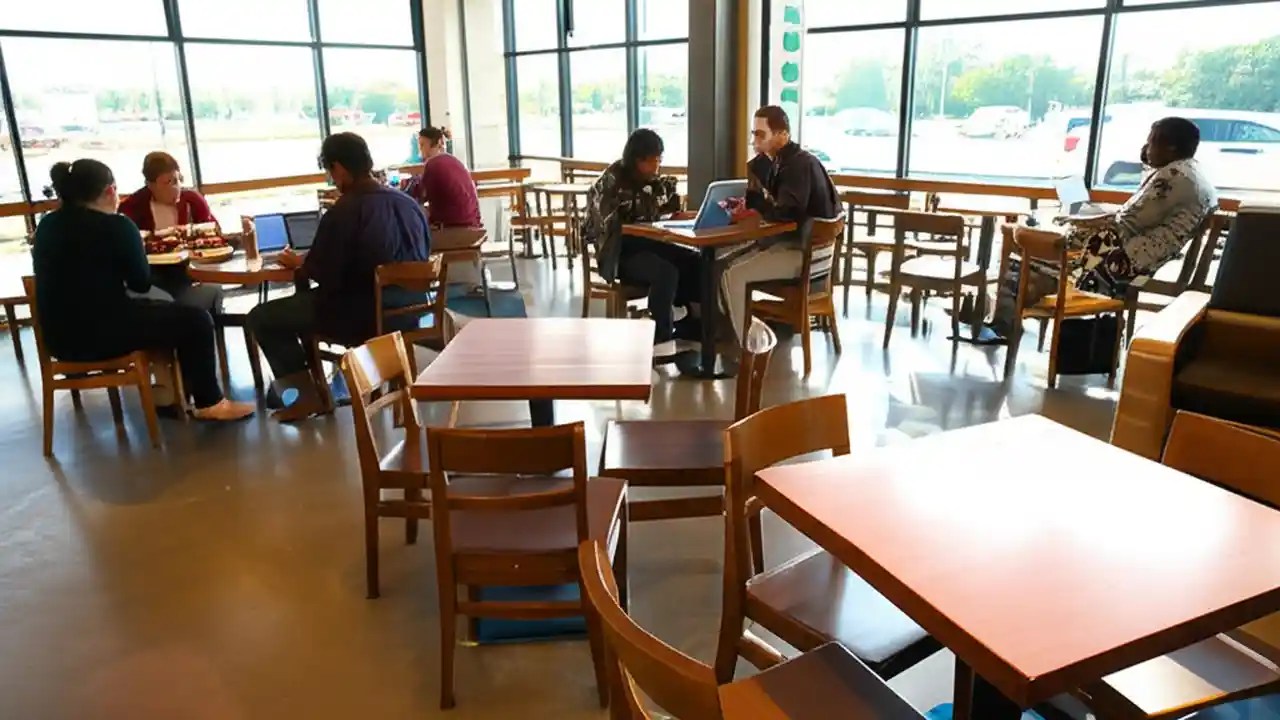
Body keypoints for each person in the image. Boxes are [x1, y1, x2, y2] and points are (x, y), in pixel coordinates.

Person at [32, 159, 253, 421]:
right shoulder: (117, 225)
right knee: (196, 320)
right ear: (111, 190)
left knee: (163, 312)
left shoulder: (47, 226)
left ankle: (168, 394)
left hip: (59, 339)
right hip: (106, 334)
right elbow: (140, 282)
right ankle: (209, 402)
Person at [246, 132, 431, 422]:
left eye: (330, 171)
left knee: (263, 317)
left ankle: (306, 397)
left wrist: (302, 263)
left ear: (339, 168)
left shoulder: (344, 211)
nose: (332, 179)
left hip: (359, 315)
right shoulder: (408, 204)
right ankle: (311, 391)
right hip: (410, 310)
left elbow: (326, 274)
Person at [988, 117, 1218, 338]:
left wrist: (1078, 221)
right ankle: (1008, 318)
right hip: (1137, 261)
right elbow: (1137, 216)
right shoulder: (1192, 174)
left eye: (1151, 142)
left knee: (1018, 245)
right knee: (1031, 262)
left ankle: (1003, 324)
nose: (1146, 148)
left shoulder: (1173, 176)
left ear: (1170, 147)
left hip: (1119, 265)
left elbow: (1125, 223)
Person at [720, 105, 839, 344]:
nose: (755, 140)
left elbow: (786, 214)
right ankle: (742, 334)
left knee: (731, 274)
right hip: (815, 256)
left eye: (760, 134)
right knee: (725, 259)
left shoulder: (797, 166)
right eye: (754, 134)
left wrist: (759, 203)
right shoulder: (793, 161)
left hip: (805, 258)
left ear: (783, 135)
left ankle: (748, 348)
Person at [585, 128, 699, 346]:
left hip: (646, 243)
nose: (657, 166)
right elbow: (609, 227)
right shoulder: (611, 183)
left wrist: (675, 212)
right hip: (618, 253)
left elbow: (662, 207)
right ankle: (660, 336)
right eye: (653, 160)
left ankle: (690, 322)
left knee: (693, 260)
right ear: (638, 159)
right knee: (665, 272)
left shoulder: (648, 180)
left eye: (659, 160)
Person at [117, 151, 224, 312]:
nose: (176, 188)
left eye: (178, 180)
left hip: (189, 273)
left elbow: (214, 234)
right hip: (152, 278)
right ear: (150, 184)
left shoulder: (192, 200)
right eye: (168, 182)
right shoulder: (132, 207)